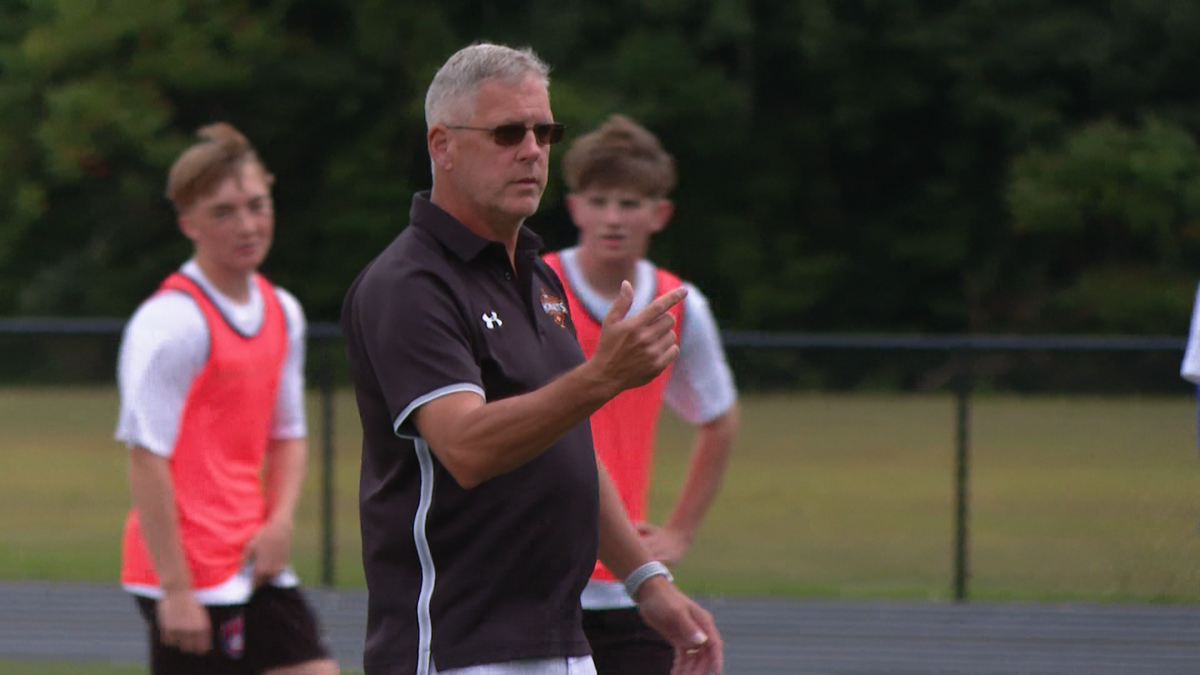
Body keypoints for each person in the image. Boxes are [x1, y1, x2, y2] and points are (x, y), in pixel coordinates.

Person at [340, 43, 724, 675]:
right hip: (459, 648)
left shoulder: (536, 279)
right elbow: (466, 448)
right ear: (442, 146)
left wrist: (648, 583)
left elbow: (568, 448)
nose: (532, 149)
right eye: (507, 132)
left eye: (544, 132)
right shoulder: (409, 284)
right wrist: (601, 378)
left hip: (559, 639)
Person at [115, 123, 339, 675]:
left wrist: (279, 524)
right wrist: (175, 590)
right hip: (186, 571)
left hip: (252, 559)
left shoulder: (282, 309)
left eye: (257, 205)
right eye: (223, 212)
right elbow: (146, 458)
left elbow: (287, 435)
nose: (247, 224)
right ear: (187, 222)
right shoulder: (172, 322)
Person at [543, 115, 740, 675]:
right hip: (534, 579)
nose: (612, 217)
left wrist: (679, 530)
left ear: (659, 214)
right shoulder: (535, 288)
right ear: (575, 206)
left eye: (629, 203)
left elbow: (720, 417)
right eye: (599, 200)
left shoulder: (679, 305)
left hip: (627, 584)